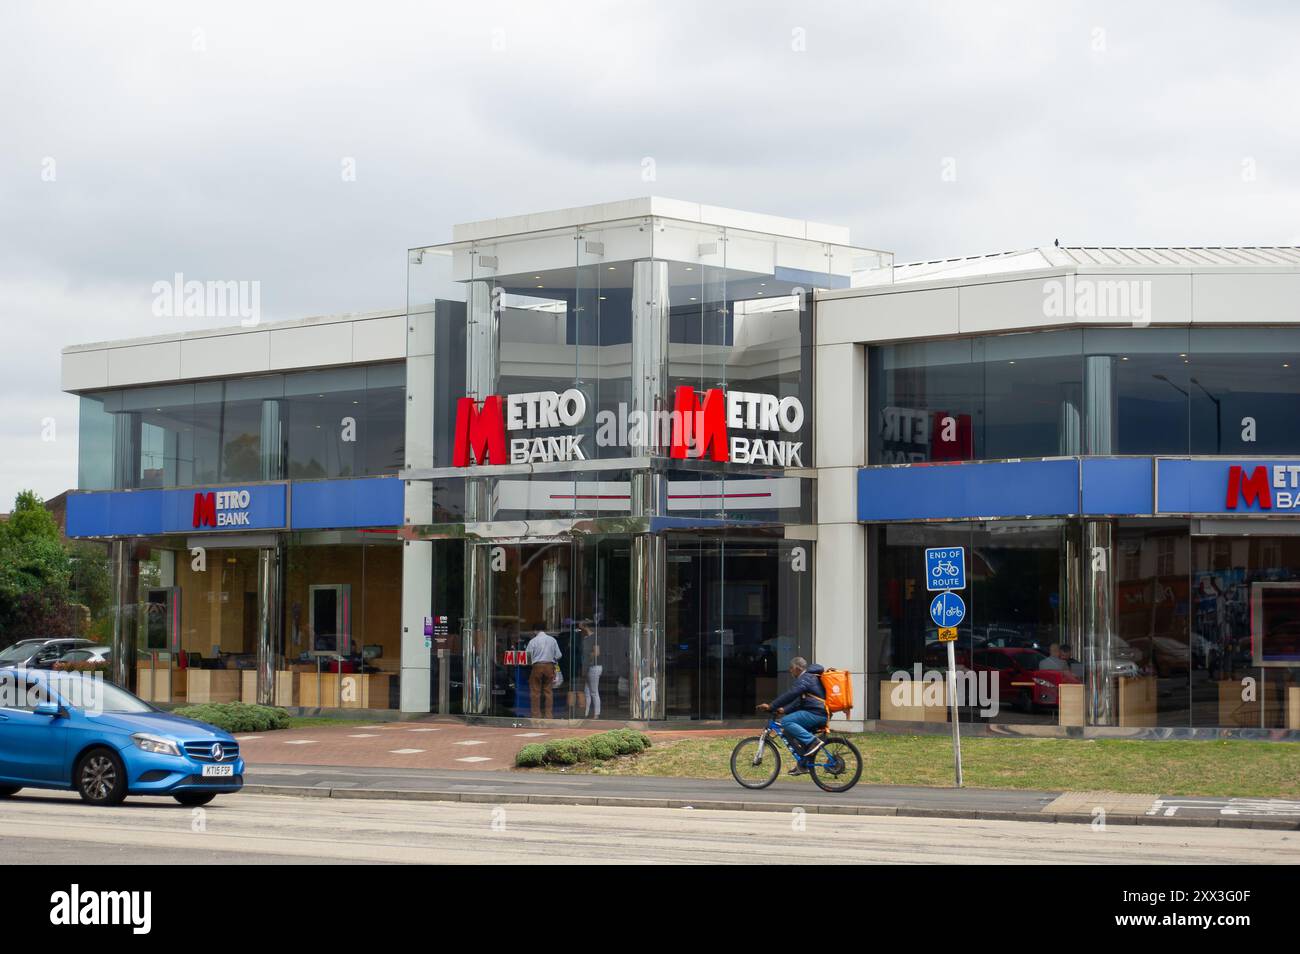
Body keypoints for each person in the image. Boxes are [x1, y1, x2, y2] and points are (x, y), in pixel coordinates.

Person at [757, 657, 827, 776]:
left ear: (796, 668)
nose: (790, 672)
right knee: (788, 732)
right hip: (817, 713)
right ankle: (803, 764)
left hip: (816, 713)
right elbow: (800, 701)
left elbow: (791, 694)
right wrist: (784, 709)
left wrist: (771, 706)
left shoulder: (805, 678)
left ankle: (812, 742)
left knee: (786, 721)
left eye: (791, 669)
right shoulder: (810, 678)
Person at [526, 624, 562, 719]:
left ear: (535, 631)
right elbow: (558, 655)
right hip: (549, 666)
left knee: (535, 691)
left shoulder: (533, 641)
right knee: (548, 691)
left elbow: (528, 658)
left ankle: (536, 715)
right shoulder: (552, 640)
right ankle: (549, 715)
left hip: (537, 666)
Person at [577, 619, 602, 719]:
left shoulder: (594, 637)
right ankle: (586, 713)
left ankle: (596, 713)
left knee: (593, 691)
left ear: (585, 627)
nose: (580, 630)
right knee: (587, 691)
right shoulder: (586, 638)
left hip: (593, 667)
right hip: (588, 666)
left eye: (581, 628)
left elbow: (597, 652)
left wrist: (588, 660)